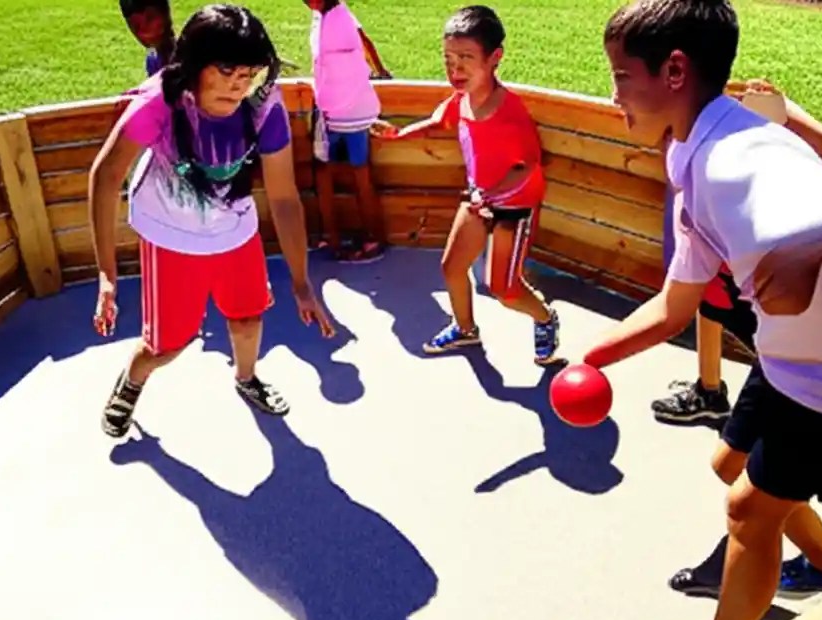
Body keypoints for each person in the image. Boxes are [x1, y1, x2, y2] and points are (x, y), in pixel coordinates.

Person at [586, 0, 822, 620]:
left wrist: (793, 268)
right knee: (730, 464)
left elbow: (805, 221)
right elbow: (672, 308)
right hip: (796, 358)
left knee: (749, 506)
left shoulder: (728, 163)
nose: (614, 93)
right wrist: (591, 357)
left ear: (676, 70)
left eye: (623, 76)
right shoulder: (700, 141)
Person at [90, 4, 336, 438]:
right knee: (167, 345)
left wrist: (301, 283)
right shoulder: (159, 102)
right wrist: (106, 276)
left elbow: (283, 197)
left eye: (249, 74)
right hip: (171, 239)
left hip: (235, 233)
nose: (238, 86)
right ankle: (133, 380)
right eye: (226, 71)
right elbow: (105, 175)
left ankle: (246, 378)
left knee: (248, 320)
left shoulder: (262, 109)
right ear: (196, 64)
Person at [651, 80, 822, 428]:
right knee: (708, 301)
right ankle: (710, 391)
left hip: (756, 279)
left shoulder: (715, 95)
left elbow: (776, 112)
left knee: (778, 354)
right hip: (709, 251)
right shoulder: (661, 98)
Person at [371, 5, 562, 365]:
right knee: (452, 267)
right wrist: (398, 135)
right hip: (479, 199)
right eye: (448, 58)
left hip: (512, 208)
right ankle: (465, 329)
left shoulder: (509, 113)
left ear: (494, 58)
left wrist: (490, 195)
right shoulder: (462, 100)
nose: (454, 68)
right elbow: (436, 120)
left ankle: (544, 318)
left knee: (504, 289)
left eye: (465, 58)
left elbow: (527, 166)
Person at [305, 0, 392, 263]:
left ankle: (350, 237)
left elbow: (360, 45)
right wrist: (380, 71)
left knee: (335, 172)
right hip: (349, 112)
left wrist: (380, 70)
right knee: (352, 172)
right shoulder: (332, 15)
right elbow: (363, 43)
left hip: (340, 115)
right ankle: (352, 237)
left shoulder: (332, 17)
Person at [120, 0, 175, 77]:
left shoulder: (190, 56)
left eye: (150, 19)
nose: (144, 33)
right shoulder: (153, 59)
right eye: (136, 26)